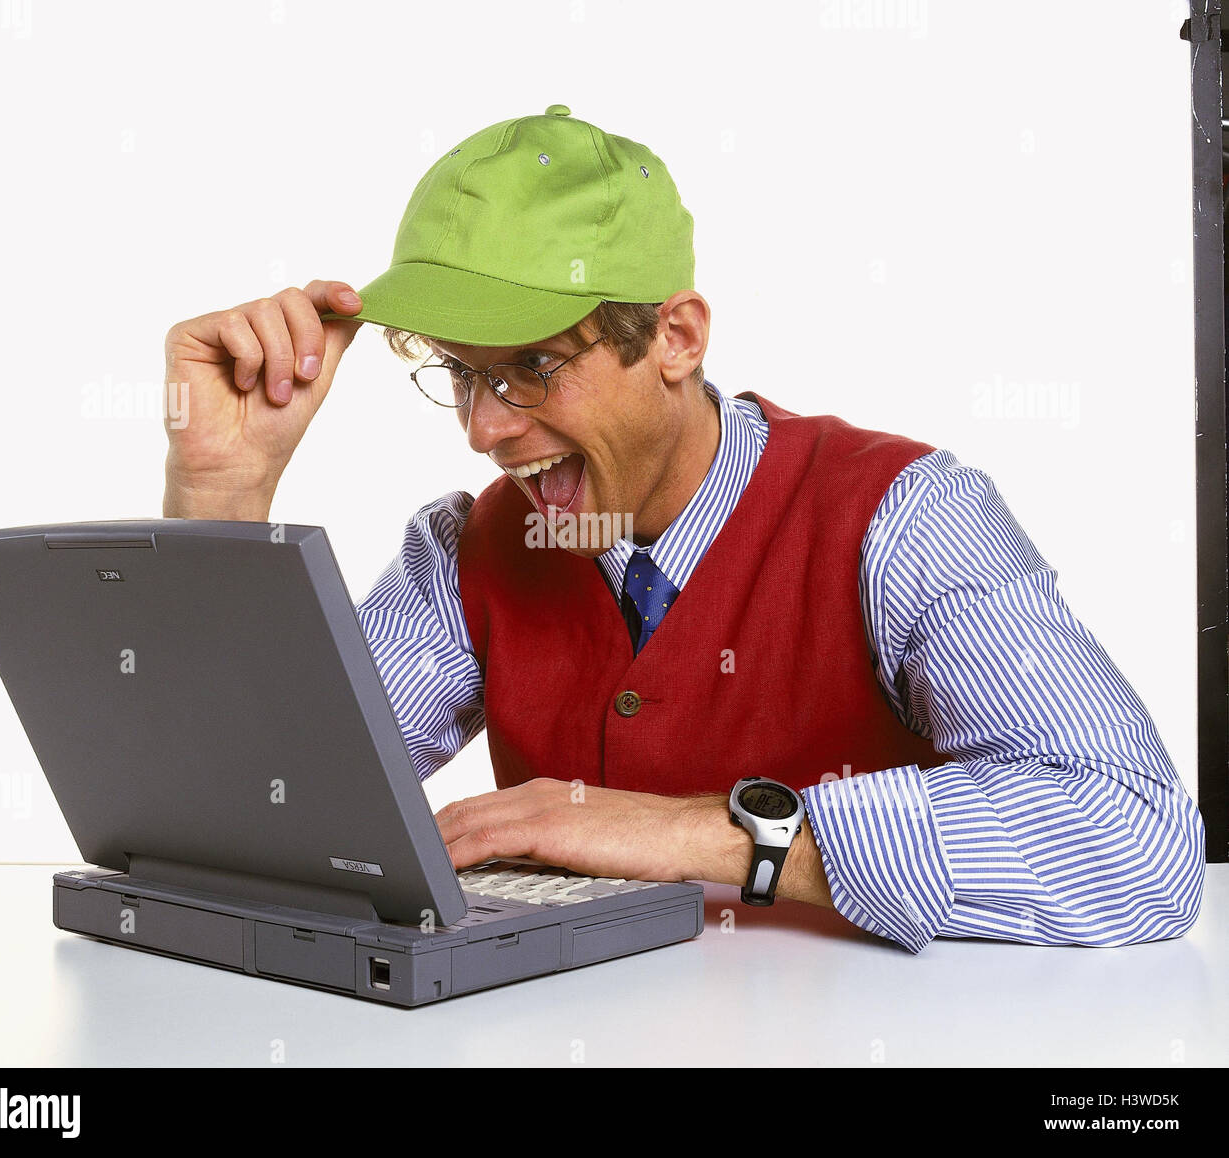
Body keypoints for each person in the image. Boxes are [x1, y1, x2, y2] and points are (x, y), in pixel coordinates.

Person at [162, 105, 1205, 953]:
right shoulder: (466, 553)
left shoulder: (907, 517)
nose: (485, 429)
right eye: (462, 374)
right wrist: (222, 491)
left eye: (531, 367)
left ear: (674, 336)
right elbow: (248, 820)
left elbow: (1136, 842)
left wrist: (703, 833)